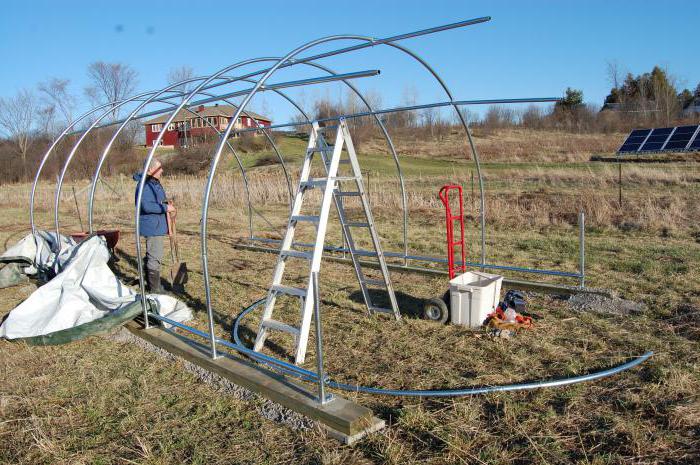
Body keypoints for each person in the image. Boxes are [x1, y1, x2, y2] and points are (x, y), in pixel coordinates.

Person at [133, 158, 175, 293]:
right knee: (155, 256)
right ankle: (155, 290)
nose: (162, 170)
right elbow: (146, 205)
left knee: (153, 254)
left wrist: (166, 203)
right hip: (152, 225)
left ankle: (148, 282)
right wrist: (165, 208)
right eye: (159, 168)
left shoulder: (154, 183)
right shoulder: (145, 185)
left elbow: (156, 200)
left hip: (156, 224)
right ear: (151, 170)